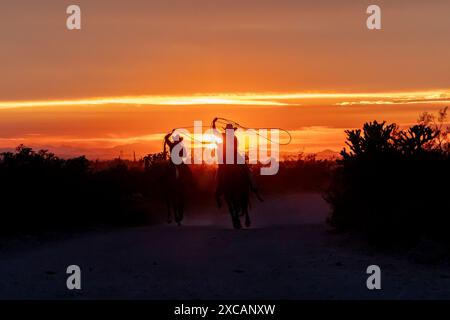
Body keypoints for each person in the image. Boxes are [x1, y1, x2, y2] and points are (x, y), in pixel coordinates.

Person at [212, 118, 262, 207]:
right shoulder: (224, 136)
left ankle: (254, 188)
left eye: (230, 131)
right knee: (219, 173)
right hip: (228, 157)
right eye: (228, 130)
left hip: (234, 156)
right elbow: (215, 132)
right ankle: (218, 193)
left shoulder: (233, 138)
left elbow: (234, 147)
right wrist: (213, 123)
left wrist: (220, 145)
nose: (229, 132)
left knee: (247, 170)